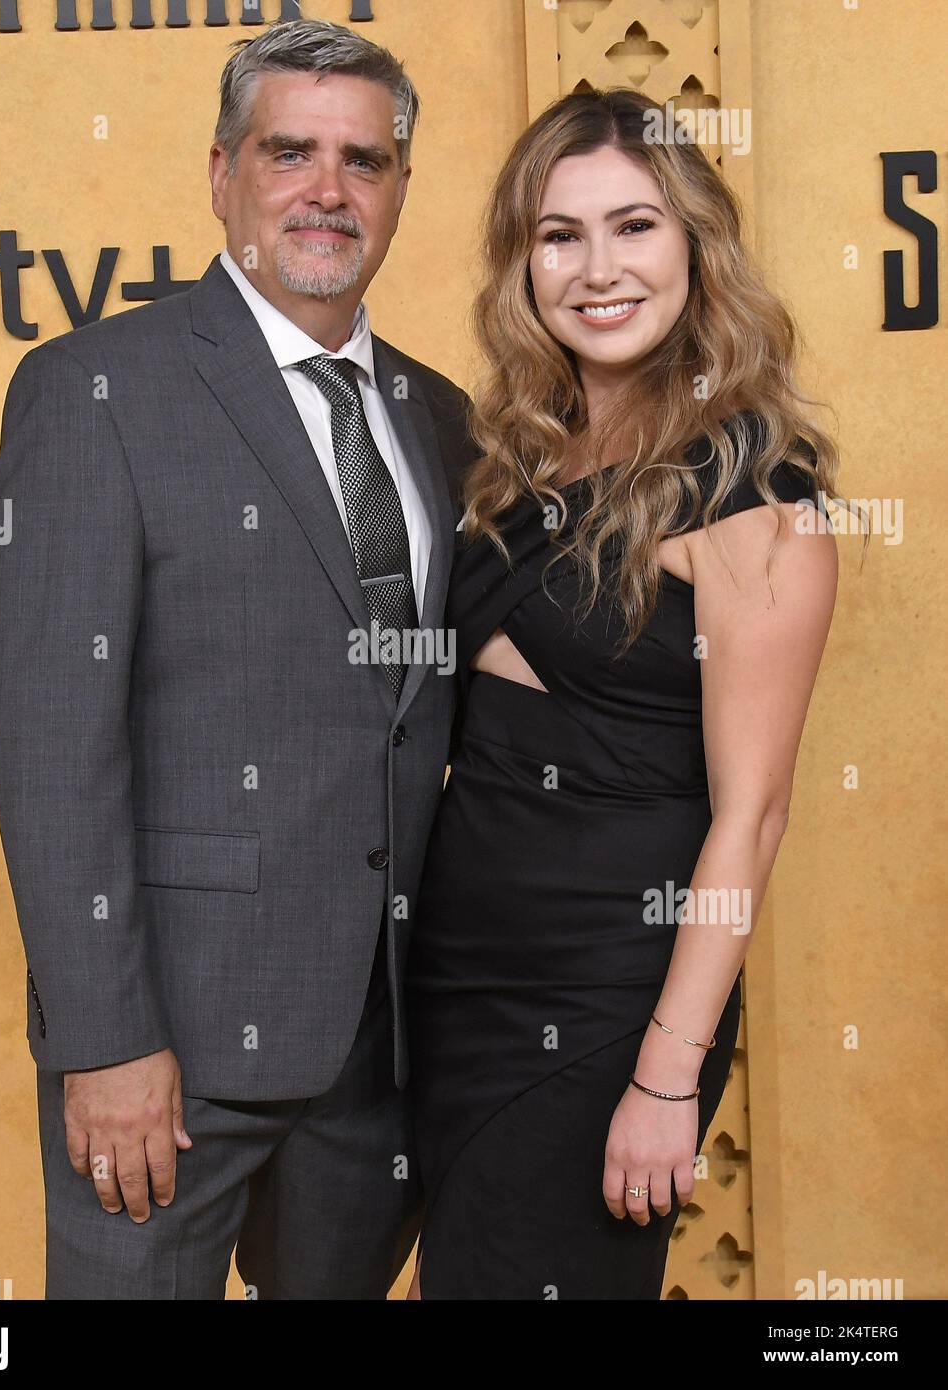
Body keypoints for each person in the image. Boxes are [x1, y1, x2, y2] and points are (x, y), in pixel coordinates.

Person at [0, 18, 476, 1300]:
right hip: (168, 1056)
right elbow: (49, 748)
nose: (327, 190)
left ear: (402, 188)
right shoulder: (93, 391)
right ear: (220, 173)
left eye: (364, 162)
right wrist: (103, 1041)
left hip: (381, 1057)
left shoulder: (440, 416)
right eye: (289, 152)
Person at [405, 88, 840, 1300]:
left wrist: (664, 1075)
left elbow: (750, 815)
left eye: (633, 226)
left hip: (603, 1005)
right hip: (452, 983)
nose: (596, 269)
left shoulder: (752, 490)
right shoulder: (518, 459)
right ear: (521, 263)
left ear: (695, 248)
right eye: (559, 235)